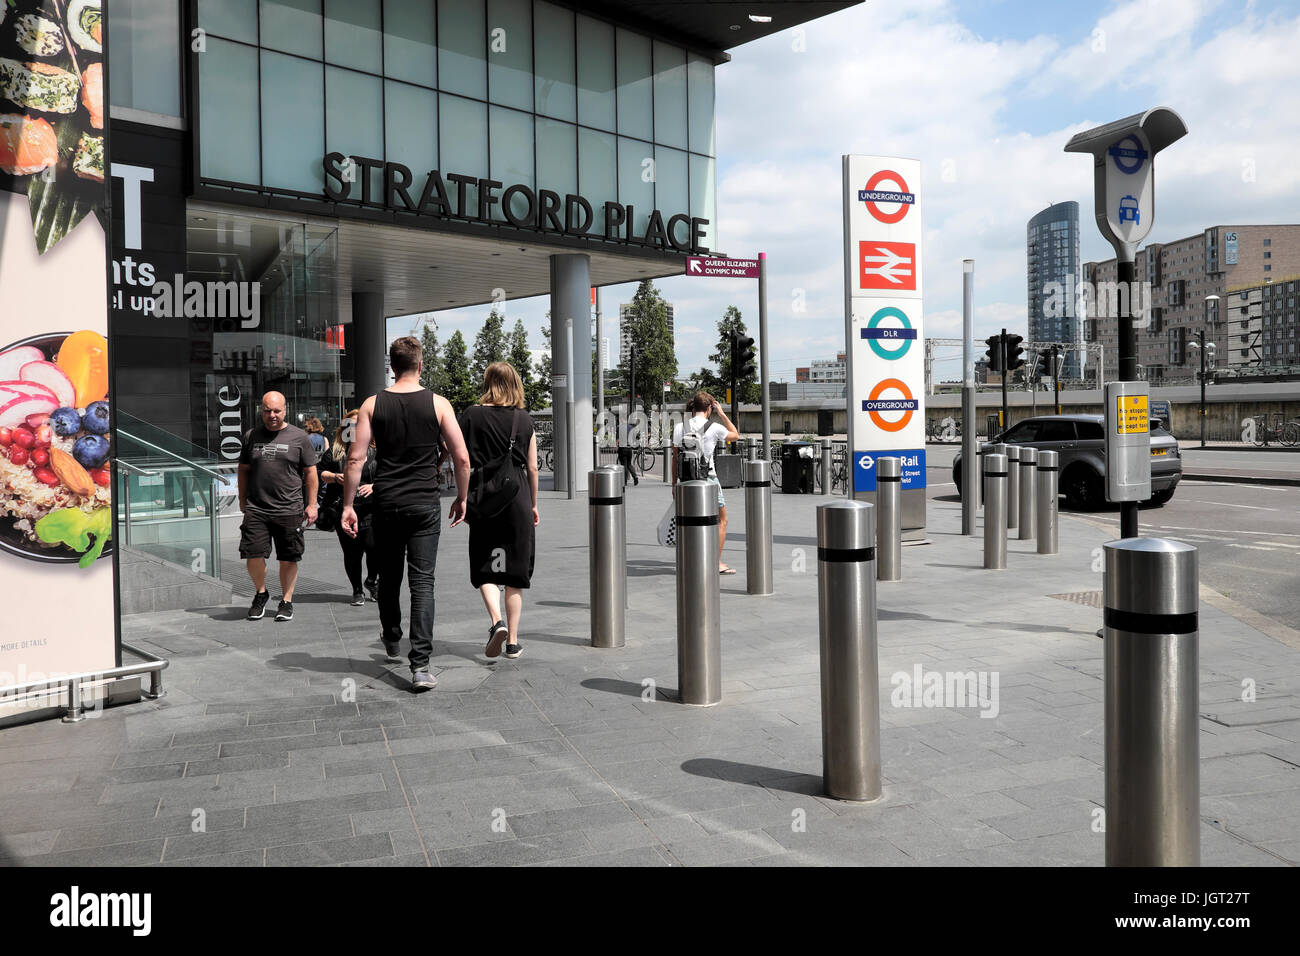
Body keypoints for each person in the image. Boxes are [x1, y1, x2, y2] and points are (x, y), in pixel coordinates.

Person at [343, 337, 470, 693]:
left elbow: (355, 459)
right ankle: (421, 665)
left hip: (386, 504)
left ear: (392, 365)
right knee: (423, 583)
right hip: (424, 505)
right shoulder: (439, 403)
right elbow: (461, 458)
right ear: (420, 364)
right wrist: (461, 497)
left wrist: (349, 505)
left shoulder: (372, 404)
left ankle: (392, 635)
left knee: (389, 577)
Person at [458, 362, 539, 660]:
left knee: (486, 564)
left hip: (484, 496)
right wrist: (533, 504)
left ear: (488, 383)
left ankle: (496, 622)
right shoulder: (524, 420)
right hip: (516, 496)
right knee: (515, 572)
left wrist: (462, 496)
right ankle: (513, 643)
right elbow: (532, 466)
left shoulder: (472, 415)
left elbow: (461, 459)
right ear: (515, 383)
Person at [238, 391, 318, 622]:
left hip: (289, 508)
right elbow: (243, 470)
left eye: (276, 411)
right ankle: (261, 594)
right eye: (267, 410)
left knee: (288, 558)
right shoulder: (251, 436)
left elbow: (311, 473)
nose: (272, 415)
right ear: (260, 410)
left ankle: (286, 601)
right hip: (257, 508)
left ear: (286, 410)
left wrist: (312, 505)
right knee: (252, 553)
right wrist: (242, 499)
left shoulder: (299, 436)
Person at [672, 392, 740, 574]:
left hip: (686, 481)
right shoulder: (715, 426)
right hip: (708, 478)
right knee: (721, 520)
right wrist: (723, 414)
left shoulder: (680, 426)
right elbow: (735, 435)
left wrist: (674, 485)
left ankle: (690, 559)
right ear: (710, 408)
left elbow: (675, 458)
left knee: (690, 520)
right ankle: (715, 562)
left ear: (693, 407)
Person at [317, 409, 378, 606]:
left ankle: (371, 581)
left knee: (374, 548)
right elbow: (317, 472)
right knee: (352, 553)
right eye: (350, 425)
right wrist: (335, 477)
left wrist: (374, 486)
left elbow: (389, 472)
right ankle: (357, 590)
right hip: (343, 508)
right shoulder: (336, 450)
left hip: (370, 508)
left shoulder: (377, 449)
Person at [616, 417, 640, 487]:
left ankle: (624, 481)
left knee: (624, 465)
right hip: (629, 448)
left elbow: (617, 438)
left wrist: (616, 446)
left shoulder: (619, 427)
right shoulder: (631, 427)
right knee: (629, 464)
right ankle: (635, 476)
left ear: (621, 420)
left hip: (622, 448)